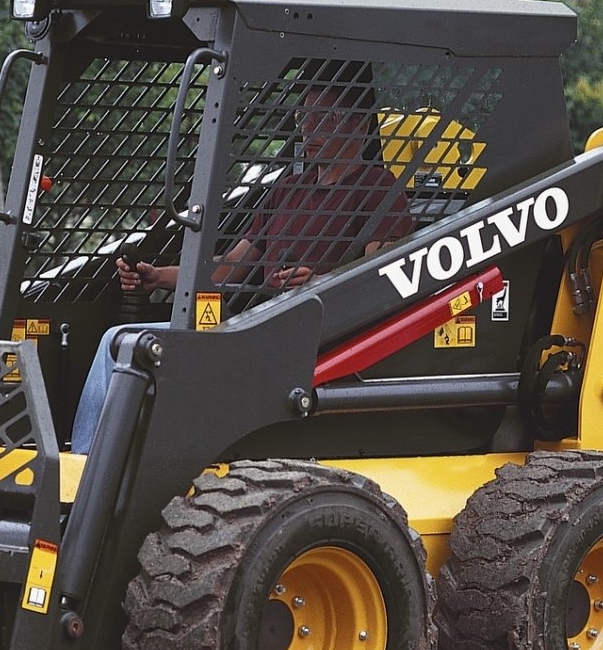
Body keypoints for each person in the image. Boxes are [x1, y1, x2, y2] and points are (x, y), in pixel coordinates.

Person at [70, 76, 414, 451]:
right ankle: (92, 463)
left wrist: (318, 281)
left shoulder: (379, 190)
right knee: (117, 342)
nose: (308, 128)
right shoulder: (287, 189)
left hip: (307, 335)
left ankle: (95, 465)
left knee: (124, 344)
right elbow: (230, 266)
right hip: (250, 323)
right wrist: (159, 277)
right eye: (304, 115)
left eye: (325, 117)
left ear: (359, 126)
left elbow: (381, 277)